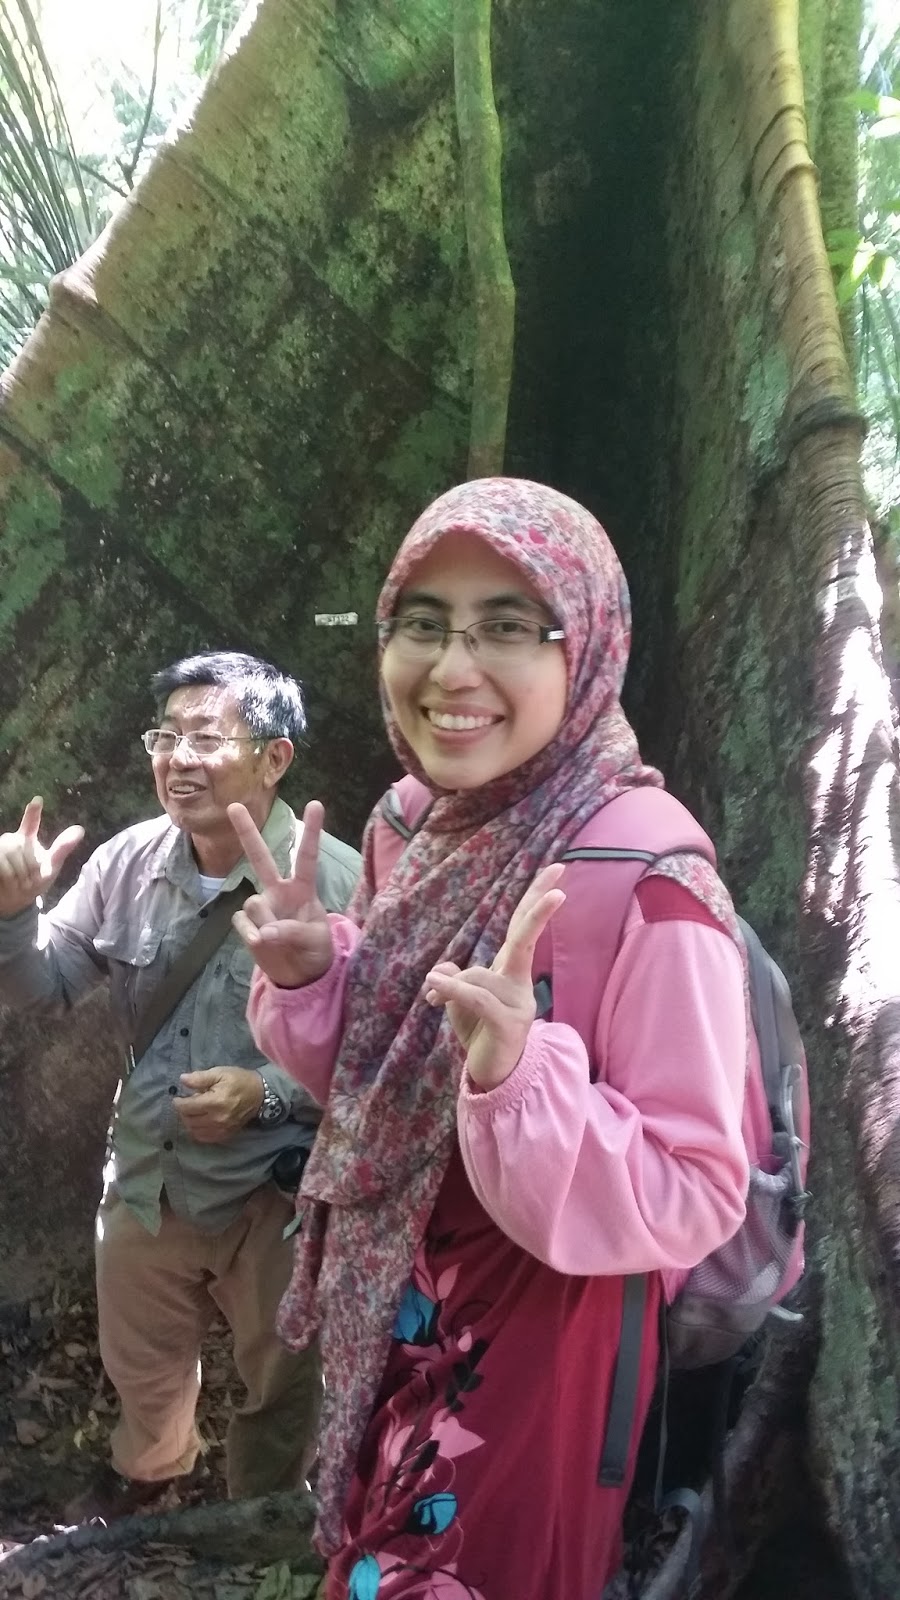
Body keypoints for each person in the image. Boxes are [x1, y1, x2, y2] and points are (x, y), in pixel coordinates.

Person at [229, 482, 749, 1600]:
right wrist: (320, 980)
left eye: (509, 625)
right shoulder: (411, 823)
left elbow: (699, 1183)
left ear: (590, 644)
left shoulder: (652, 879)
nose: (451, 669)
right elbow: (386, 1084)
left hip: (542, 1355)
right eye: (423, 622)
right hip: (394, 1309)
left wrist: (522, 1081)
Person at [0, 650, 361, 1521]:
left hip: (277, 1198)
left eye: (208, 736)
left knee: (282, 1380)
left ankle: (258, 1523)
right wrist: (14, 913)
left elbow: (380, 1065)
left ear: (274, 758)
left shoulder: (341, 884)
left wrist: (265, 1093)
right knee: (144, 1364)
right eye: (167, 736)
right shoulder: (129, 863)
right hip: (149, 1179)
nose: (179, 758)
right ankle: (150, 1476)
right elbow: (45, 986)